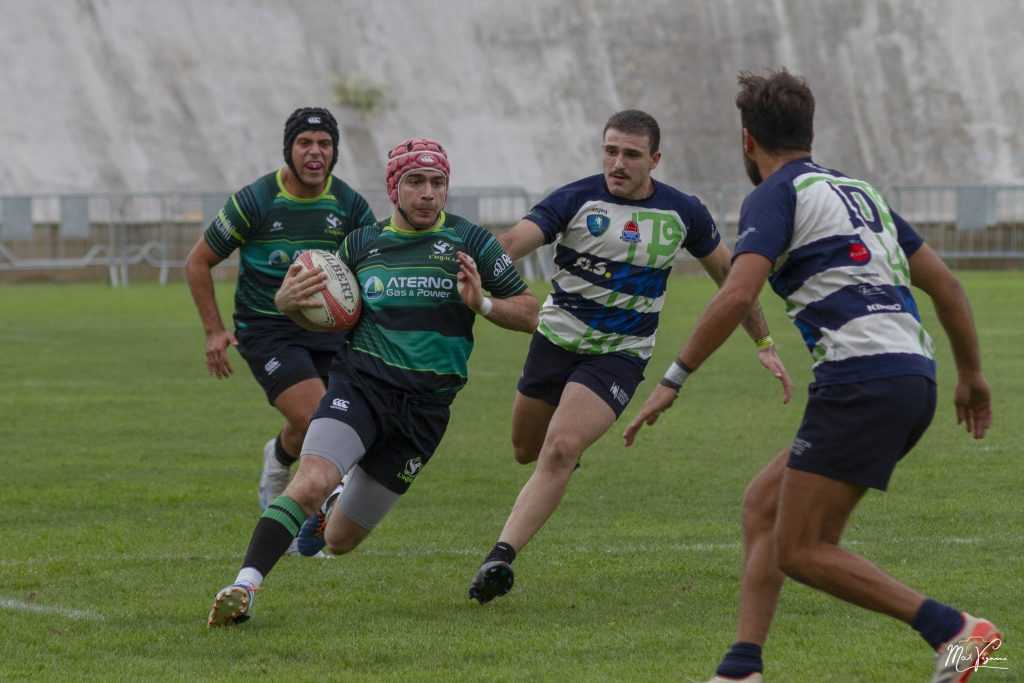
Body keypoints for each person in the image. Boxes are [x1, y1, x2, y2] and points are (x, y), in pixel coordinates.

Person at [623, 70, 1001, 683]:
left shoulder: (775, 194)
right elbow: (948, 286)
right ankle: (742, 666)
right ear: (809, 131)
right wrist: (973, 376)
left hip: (861, 378)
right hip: (909, 376)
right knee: (763, 506)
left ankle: (957, 632)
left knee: (799, 550)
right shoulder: (862, 193)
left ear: (748, 142)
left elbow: (736, 293)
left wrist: (673, 378)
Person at [207, 137, 539, 627]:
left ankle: (337, 504)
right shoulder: (362, 245)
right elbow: (328, 314)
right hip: (360, 387)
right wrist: (286, 302)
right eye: (416, 182)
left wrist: (482, 304)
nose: (428, 193)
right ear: (394, 188)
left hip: (425, 413)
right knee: (310, 481)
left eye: (438, 182)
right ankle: (244, 585)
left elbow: (531, 313)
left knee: (339, 541)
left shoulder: (472, 243)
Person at [467, 110, 793, 604]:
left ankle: (500, 558)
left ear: (654, 160)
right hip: (555, 341)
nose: (617, 163)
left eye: (631, 155)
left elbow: (732, 279)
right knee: (526, 449)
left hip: (619, 355)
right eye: (610, 151)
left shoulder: (683, 213)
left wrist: (765, 344)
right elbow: (512, 243)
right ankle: (562, 459)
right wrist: (469, 266)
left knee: (559, 449)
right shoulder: (575, 198)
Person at [185, 107, 376, 511]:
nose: (315, 152)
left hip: (330, 330)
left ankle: (278, 457)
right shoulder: (255, 201)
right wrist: (214, 331)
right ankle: (308, 523)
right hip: (267, 329)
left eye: (324, 144)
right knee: (319, 424)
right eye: (304, 143)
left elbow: (373, 268)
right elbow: (197, 261)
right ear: (288, 150)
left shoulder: (348, 205)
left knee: (313, 421)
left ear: (335, 151)